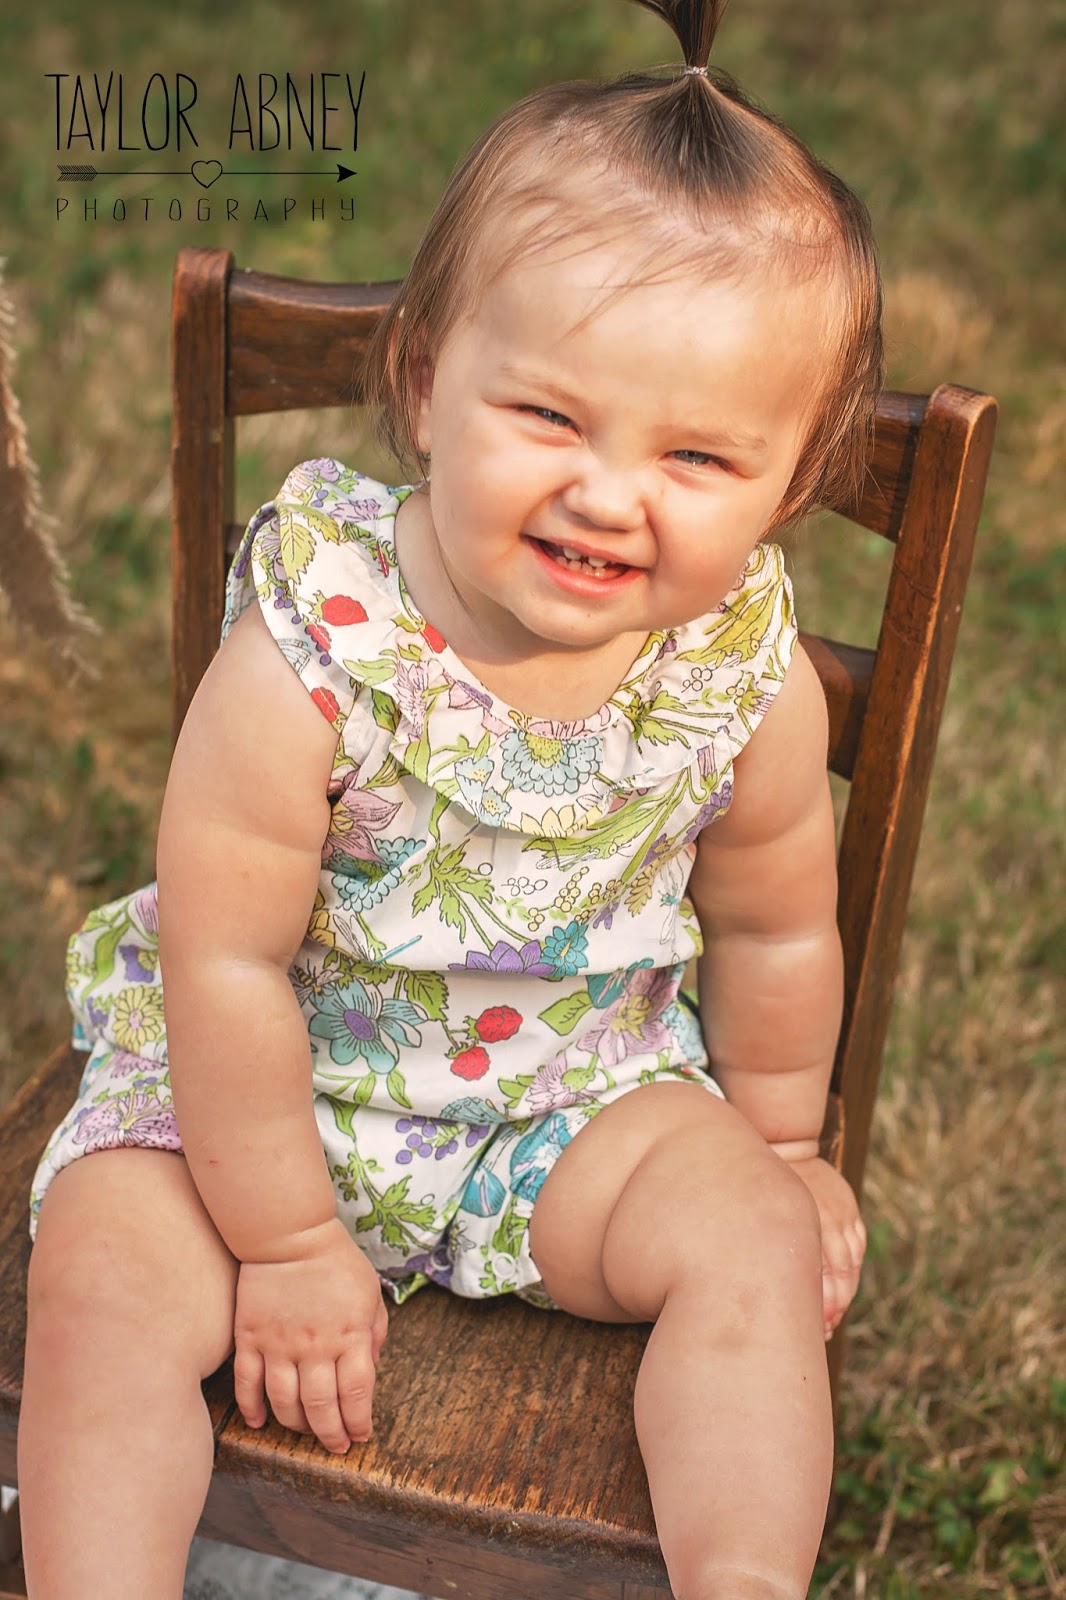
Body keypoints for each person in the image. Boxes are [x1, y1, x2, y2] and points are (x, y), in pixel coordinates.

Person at [18, 1, 881, 1595]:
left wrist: (776, 1146)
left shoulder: (737, 672)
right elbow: (220, 957)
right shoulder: (321, 643)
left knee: (747, 1239)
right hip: (266, 1084)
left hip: (567, 1107)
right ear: (423, 384)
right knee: (106, 1276)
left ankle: (741, 1580)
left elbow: (771, 927)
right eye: (547, 414)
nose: (607, 489)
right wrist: (281, 1241)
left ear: (793, 477)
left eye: (699, 456)